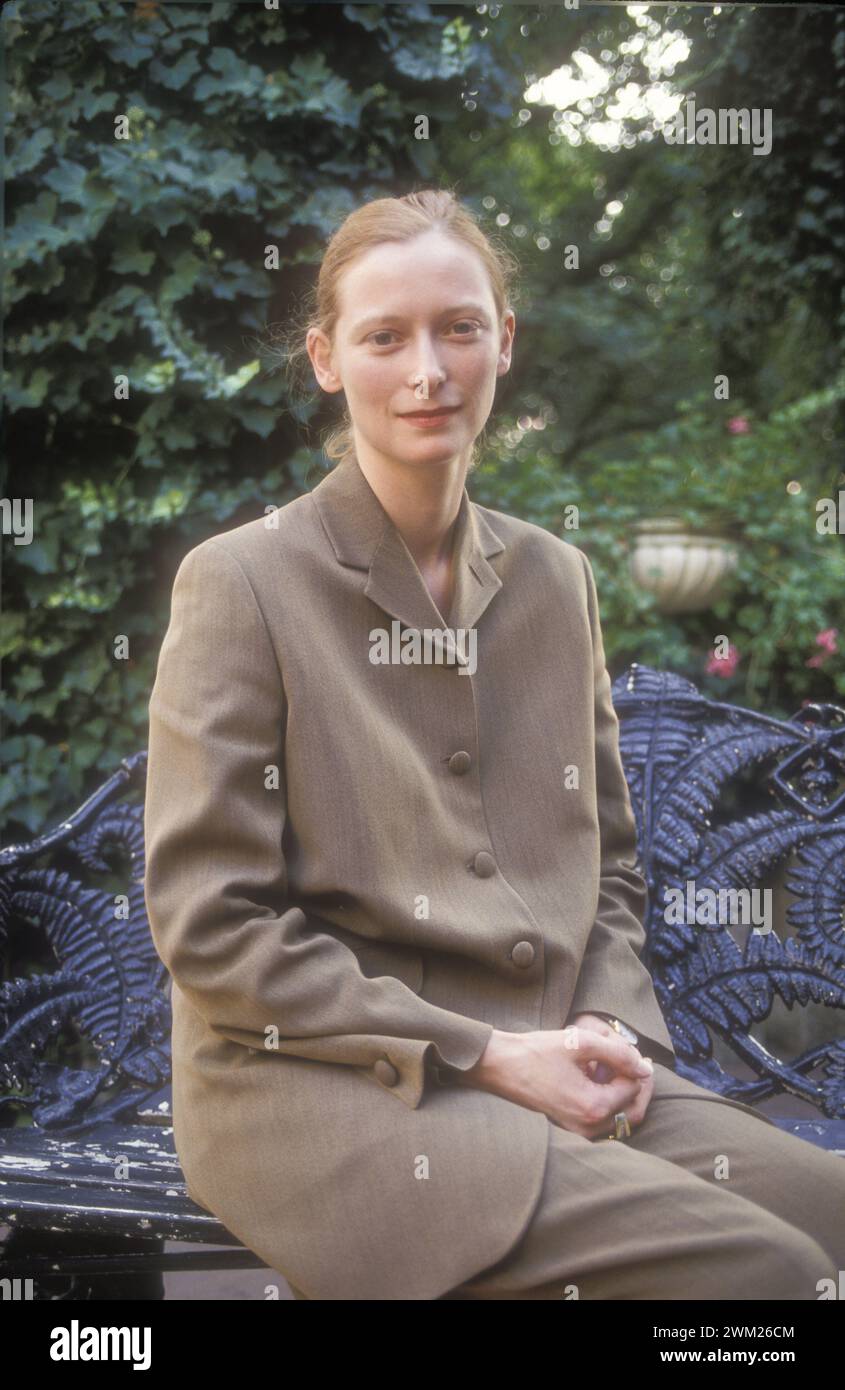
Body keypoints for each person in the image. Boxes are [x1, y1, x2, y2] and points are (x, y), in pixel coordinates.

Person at [144, 188, 845, 1301]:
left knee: (832, 1228)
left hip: (549, 1056)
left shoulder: (551, 582)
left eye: (458, 327)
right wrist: (488, 1055)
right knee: (759, 1276)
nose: (427, 369)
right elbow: (212, 923)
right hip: (327, 1091)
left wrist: (604, 1021)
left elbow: (607, 864)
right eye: (385, 336)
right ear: (327, 359)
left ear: (502, 341)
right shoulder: (242, 582)